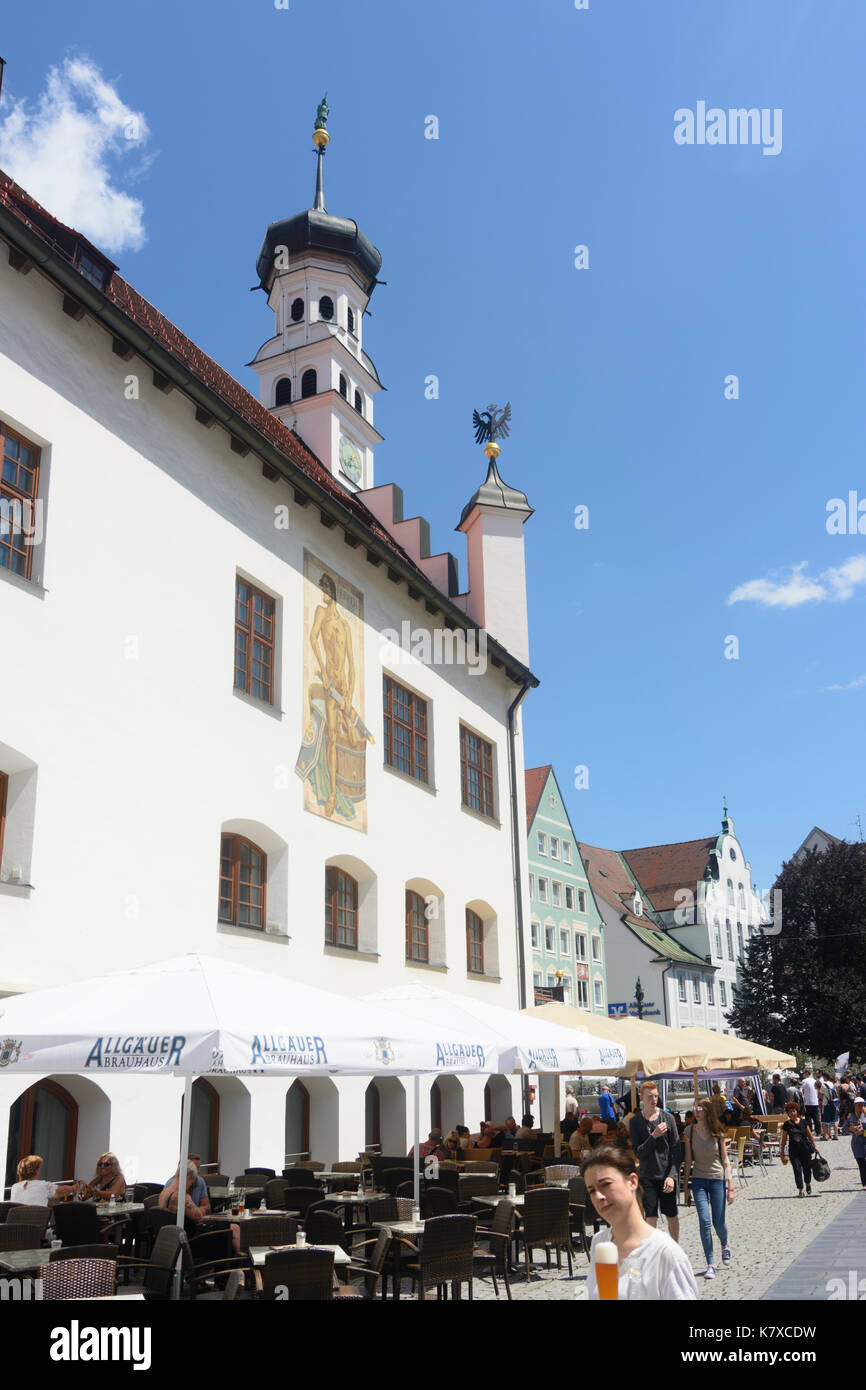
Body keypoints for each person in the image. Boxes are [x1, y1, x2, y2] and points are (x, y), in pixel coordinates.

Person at [582, 1146, 698, 1300]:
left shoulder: (665, 1253)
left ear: (632, 1181)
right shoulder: (600, 1242)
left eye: (606, 1184)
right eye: (591, 1190)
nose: (598, 1196)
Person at [682, 1100, 735, 1279]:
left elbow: (725, 1159)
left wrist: (731, 1186)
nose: (696, 1111)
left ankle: (725, 1244)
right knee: (704, 1221)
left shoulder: (717, 1131)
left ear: (707, 1111)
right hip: (698, 1180)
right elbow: (688, 1160)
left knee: (718, 1223)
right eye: (694, 1108)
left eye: (700, 1108)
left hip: (717, 1179)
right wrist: (686, 1187)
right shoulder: (688, 1132)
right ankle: (710, 1264)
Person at [627, 1081, 681, 1243]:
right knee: (650, 1216)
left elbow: (676, 1151)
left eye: (656, 1096)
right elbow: (639, 1152)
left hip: (666, 1176)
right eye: (650, 1096)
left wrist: (672, 1176)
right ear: (642, 1097)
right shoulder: (635, 1122)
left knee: (671, 1215)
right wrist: (654, 1136)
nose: (654, 1099)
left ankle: (675, 1248)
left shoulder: (668, 1118)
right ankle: (652, 1252)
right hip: (647, 1176)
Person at [780, 1101, 822, 1197]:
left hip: (805, 1150)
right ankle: (801, 1190)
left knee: (807, 1169)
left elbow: (810, 1135)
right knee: (797, 1170)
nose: (792, 1113)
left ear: (797, 1111)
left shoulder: (803, 1122)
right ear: (788, 1113)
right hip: (794, 1151)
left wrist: (815, 1146)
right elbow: (784, 1139)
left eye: (794, 1111)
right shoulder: (786, 1125)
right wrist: (782, 1152)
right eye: (790, 1111)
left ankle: (807, 1184)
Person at [10, 1155, 75, 1206]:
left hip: (17, 1221)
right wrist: (77, 1186)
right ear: (36, 1171)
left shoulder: (15, 1187)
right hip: (37, 1221)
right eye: (39, 1169)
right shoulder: (43, 1185)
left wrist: (50, 1204)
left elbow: (30, 1201)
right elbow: (64, 1191)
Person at [849, 1097, 866, 1189]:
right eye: (858, 1105)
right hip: (857, 1144)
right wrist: (852, 1129)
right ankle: (864, 1183)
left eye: (862, 1105)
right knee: (862, 1164)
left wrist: (863, 1132)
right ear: (854, 1106)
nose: (860, 1107)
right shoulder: (851, 1116)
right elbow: (844, 1129)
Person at [801, 1067, 821, 1137]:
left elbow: (802, 1091)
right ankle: (818, 1132)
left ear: (806, 1073)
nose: (803, 1074)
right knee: (816, 1118)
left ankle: (809, 1132)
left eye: (803, 1073)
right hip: (815, 1101)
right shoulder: (815, 1080)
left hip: (808, 1102)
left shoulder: (804, 1081)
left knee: (808, 1118)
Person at [818, 1072, 838, 1141]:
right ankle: (836, 1135)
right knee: (834, 1120)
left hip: (826, 1104)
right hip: (833, 1104)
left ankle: (826, 1135)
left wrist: (820, 1101)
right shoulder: (832, 1084)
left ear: (825, 1077)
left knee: (824, 1121)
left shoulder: (824, 1085)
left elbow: (820, 1095)